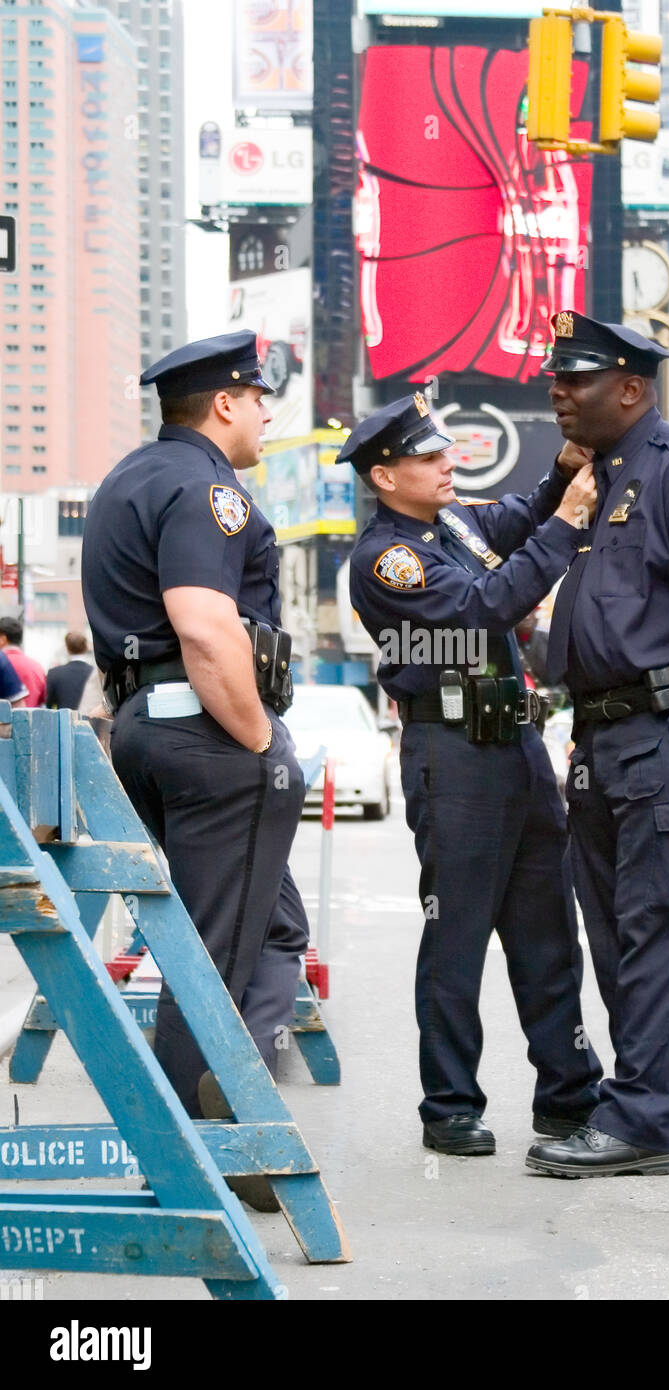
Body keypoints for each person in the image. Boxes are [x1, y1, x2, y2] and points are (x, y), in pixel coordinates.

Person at [526, 311, 669, 1179]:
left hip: (668, 736)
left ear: (631, 388)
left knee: (668, 931)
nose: (556, 393)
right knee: (626, 934)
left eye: (574, 380)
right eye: (555, 378)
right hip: (604, 735)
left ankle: (640, 1123)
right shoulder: (604, 478)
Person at [343, 393, 603, 1156]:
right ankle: (451, 1105)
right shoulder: (389, 557)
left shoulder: (449, 523)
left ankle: (568, 1095)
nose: (447, 462)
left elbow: (518, 515)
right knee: (456, 935)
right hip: (452, 754)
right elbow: (483, 607)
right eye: (428, 457)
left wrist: (559, 477)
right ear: (386, 476)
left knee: (549, 933)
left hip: (517, 747)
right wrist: (567, 525)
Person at [81, 332, 309, 1162]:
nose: (264, 411)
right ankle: (192, 1146)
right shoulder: (210, 489)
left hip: (147, 725)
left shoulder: (128, 478)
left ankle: (232, 1088)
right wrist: (260, 742)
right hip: (209, 732)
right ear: (223, 403)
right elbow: (207, 628)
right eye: (256, 398)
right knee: (211, 956)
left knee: (273, 930)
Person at [0, 616, 46, 707]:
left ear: (3, 639)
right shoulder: (37, 667)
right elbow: (43, 700)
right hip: (32, 719)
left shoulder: (3, 663)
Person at [45, 631, 94, 711]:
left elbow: (48, 704)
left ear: (67, 648)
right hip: (90, 721)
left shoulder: (54, 673)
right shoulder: (94, 673)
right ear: (86, 647)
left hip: (64, 721)